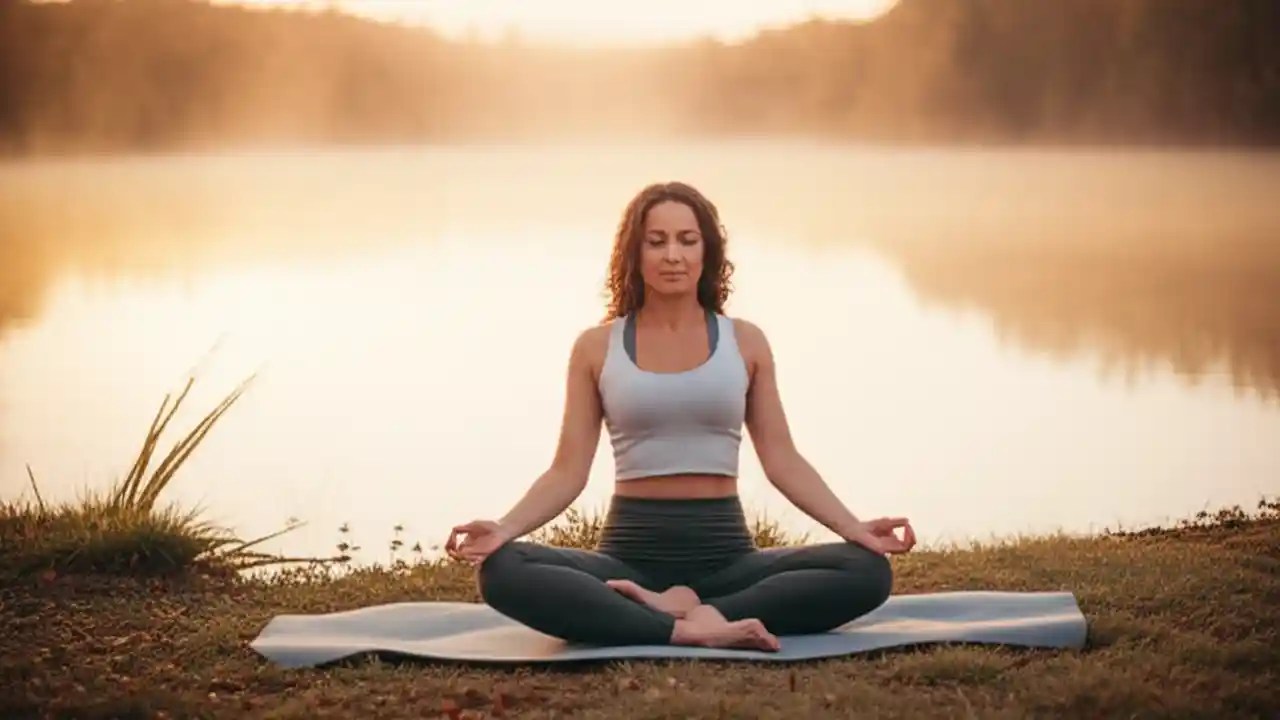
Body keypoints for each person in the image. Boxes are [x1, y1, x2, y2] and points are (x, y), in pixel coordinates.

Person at [445, 181, 916, 652]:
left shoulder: (745, 342)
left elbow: (782, 459)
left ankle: (705, 611)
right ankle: (682, 628)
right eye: (657, 241)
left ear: (707, 251)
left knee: (867, 571)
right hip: (628, 559)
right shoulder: (596, 347)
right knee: (503, 570)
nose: (673, 255)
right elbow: (567, 471)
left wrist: (854, 528)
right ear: (635, 253)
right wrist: (505, 529)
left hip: (729, 561)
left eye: (687, 241)